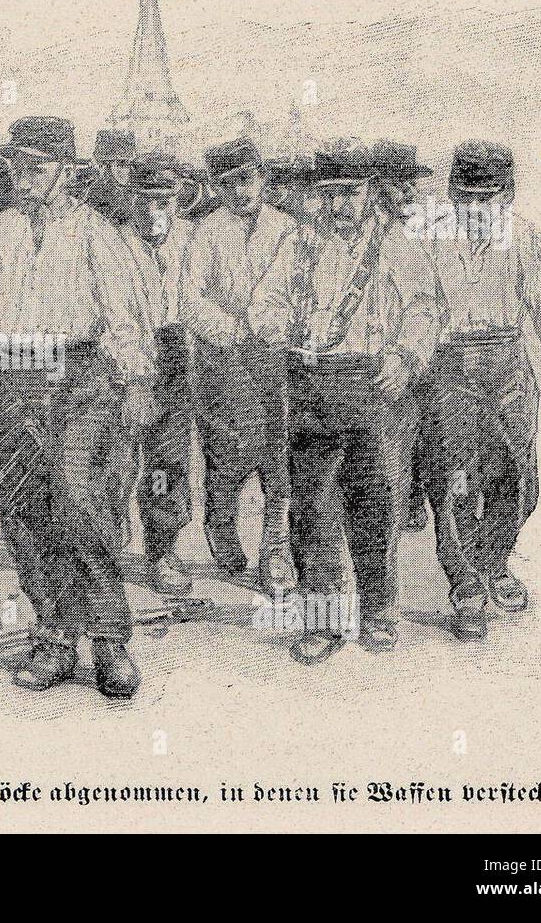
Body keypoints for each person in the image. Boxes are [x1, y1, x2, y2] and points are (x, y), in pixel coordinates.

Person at [0, 115, 157, 698]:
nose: (26, 176)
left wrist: (135, 383)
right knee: (24, 513)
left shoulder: (94, 232)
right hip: (14, 379)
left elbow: (125, 316)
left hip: (79, 378)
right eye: (19, 166)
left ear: (65, 171)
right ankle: (55, 634)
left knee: (80, 504)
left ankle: (108, 640)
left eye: (39, 166)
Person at [249, 140, 442, 664]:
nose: (339, 206)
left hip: (370, 385)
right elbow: (264, 305)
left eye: (350, 193)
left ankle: (378, 613)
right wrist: (281, 330)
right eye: (329, 193)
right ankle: (323, 621)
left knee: (373, 505)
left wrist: (404, 358)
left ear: (370, 192)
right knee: (312, 512)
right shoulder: (300, 243)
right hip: (311, 385)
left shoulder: (397, 245)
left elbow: (425, 309)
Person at [415, 141, 541, 641]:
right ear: (451, 196)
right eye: (463, 197)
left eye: (487, 198)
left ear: (508, 196)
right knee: (450, 485)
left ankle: (493, 562)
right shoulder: (428, 240)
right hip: (448, 368)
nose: (474, 210)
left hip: (508, 371)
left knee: (520, 484)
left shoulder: (522, 239)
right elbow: (413, 311)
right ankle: (467, 587)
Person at [180, 137, 298, 592]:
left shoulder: (289, 230)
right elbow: (191, 299)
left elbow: (299, 291)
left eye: (246, 180)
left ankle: (274, 551)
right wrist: (230, 330)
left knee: (278, 461)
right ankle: (224, 534)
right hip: (222, 364)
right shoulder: (206, 232)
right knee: (225, 461)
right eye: (228, 185)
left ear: (262, 178)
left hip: (274, 362)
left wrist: (273, 327)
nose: (240, 192)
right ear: (217, 188)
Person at [114, 151, 197, 594]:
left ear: (178, 199)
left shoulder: (193, 240)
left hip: (176, 355)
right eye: (144, 200)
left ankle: (161, 549)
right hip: (122, 360)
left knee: (167, 461)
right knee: (117, 459)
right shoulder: (111, 245)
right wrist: (133, 376)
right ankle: (106, 543)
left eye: (163, 201)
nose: (153, 211)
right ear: (130, 200)